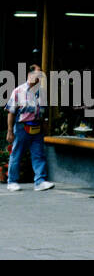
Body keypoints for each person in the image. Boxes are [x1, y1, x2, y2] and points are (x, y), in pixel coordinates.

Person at [6, 63, 53, 192]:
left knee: (38, 154)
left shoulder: (41, 93)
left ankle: (40, 181)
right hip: (22, 127)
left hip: (37, 127)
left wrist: (45, 127)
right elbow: (11, 112)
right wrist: (10, 131)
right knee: (16, 154)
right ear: (29, 75)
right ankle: (12, 181)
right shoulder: (18, 91)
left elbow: (43, 113)